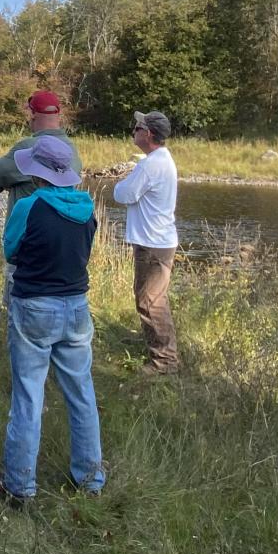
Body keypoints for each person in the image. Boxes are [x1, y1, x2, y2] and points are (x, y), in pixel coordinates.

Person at [0, 136, 104, 504]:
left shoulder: (29, 206)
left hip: (34, 306)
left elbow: (10, 251)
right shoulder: (88, 207)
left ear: (38, 174)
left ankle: (20, 486)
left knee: (28, 395)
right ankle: (90, 479)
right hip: (76, 305)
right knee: (82, 393)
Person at [111, 110, 180, 374]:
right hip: (158, 240)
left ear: (149, 134)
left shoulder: (150, 164)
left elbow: (123, 193)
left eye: (137, 127)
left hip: (153, 243)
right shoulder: (159, 160)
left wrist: (125, 181)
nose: (134, 131)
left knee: (151, 301)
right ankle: (158, 349)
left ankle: (165, 362)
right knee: (152, 299)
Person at [0, 90, 84, 209]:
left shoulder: (27, 147)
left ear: (32, 113)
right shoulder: (70, 148)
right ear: (59, 113)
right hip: (60, 224)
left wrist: (10, 184)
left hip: (26, 224)